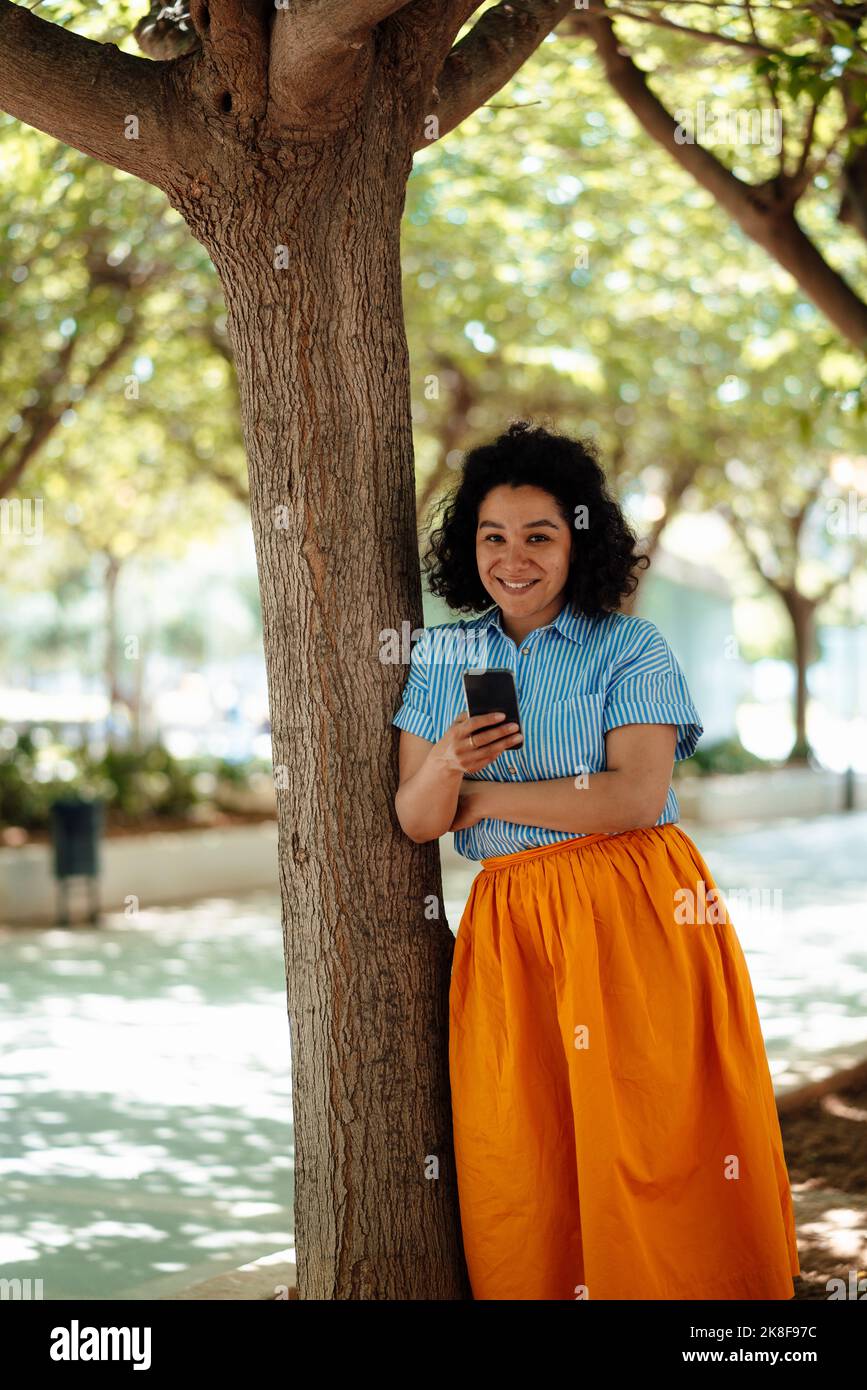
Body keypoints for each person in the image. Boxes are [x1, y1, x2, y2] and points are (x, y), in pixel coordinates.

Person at [392, 420, 800, 1301]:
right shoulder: (443, 652)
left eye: (539, 536)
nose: (513, 559)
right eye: (492, 537)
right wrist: (448, 761)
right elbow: (416, 819)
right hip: (513, 931)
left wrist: (483, 798)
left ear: (580, 541)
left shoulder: (630, 646)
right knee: (525, 1140)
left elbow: (631, 798)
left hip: (638, 910)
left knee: (654, 1127)